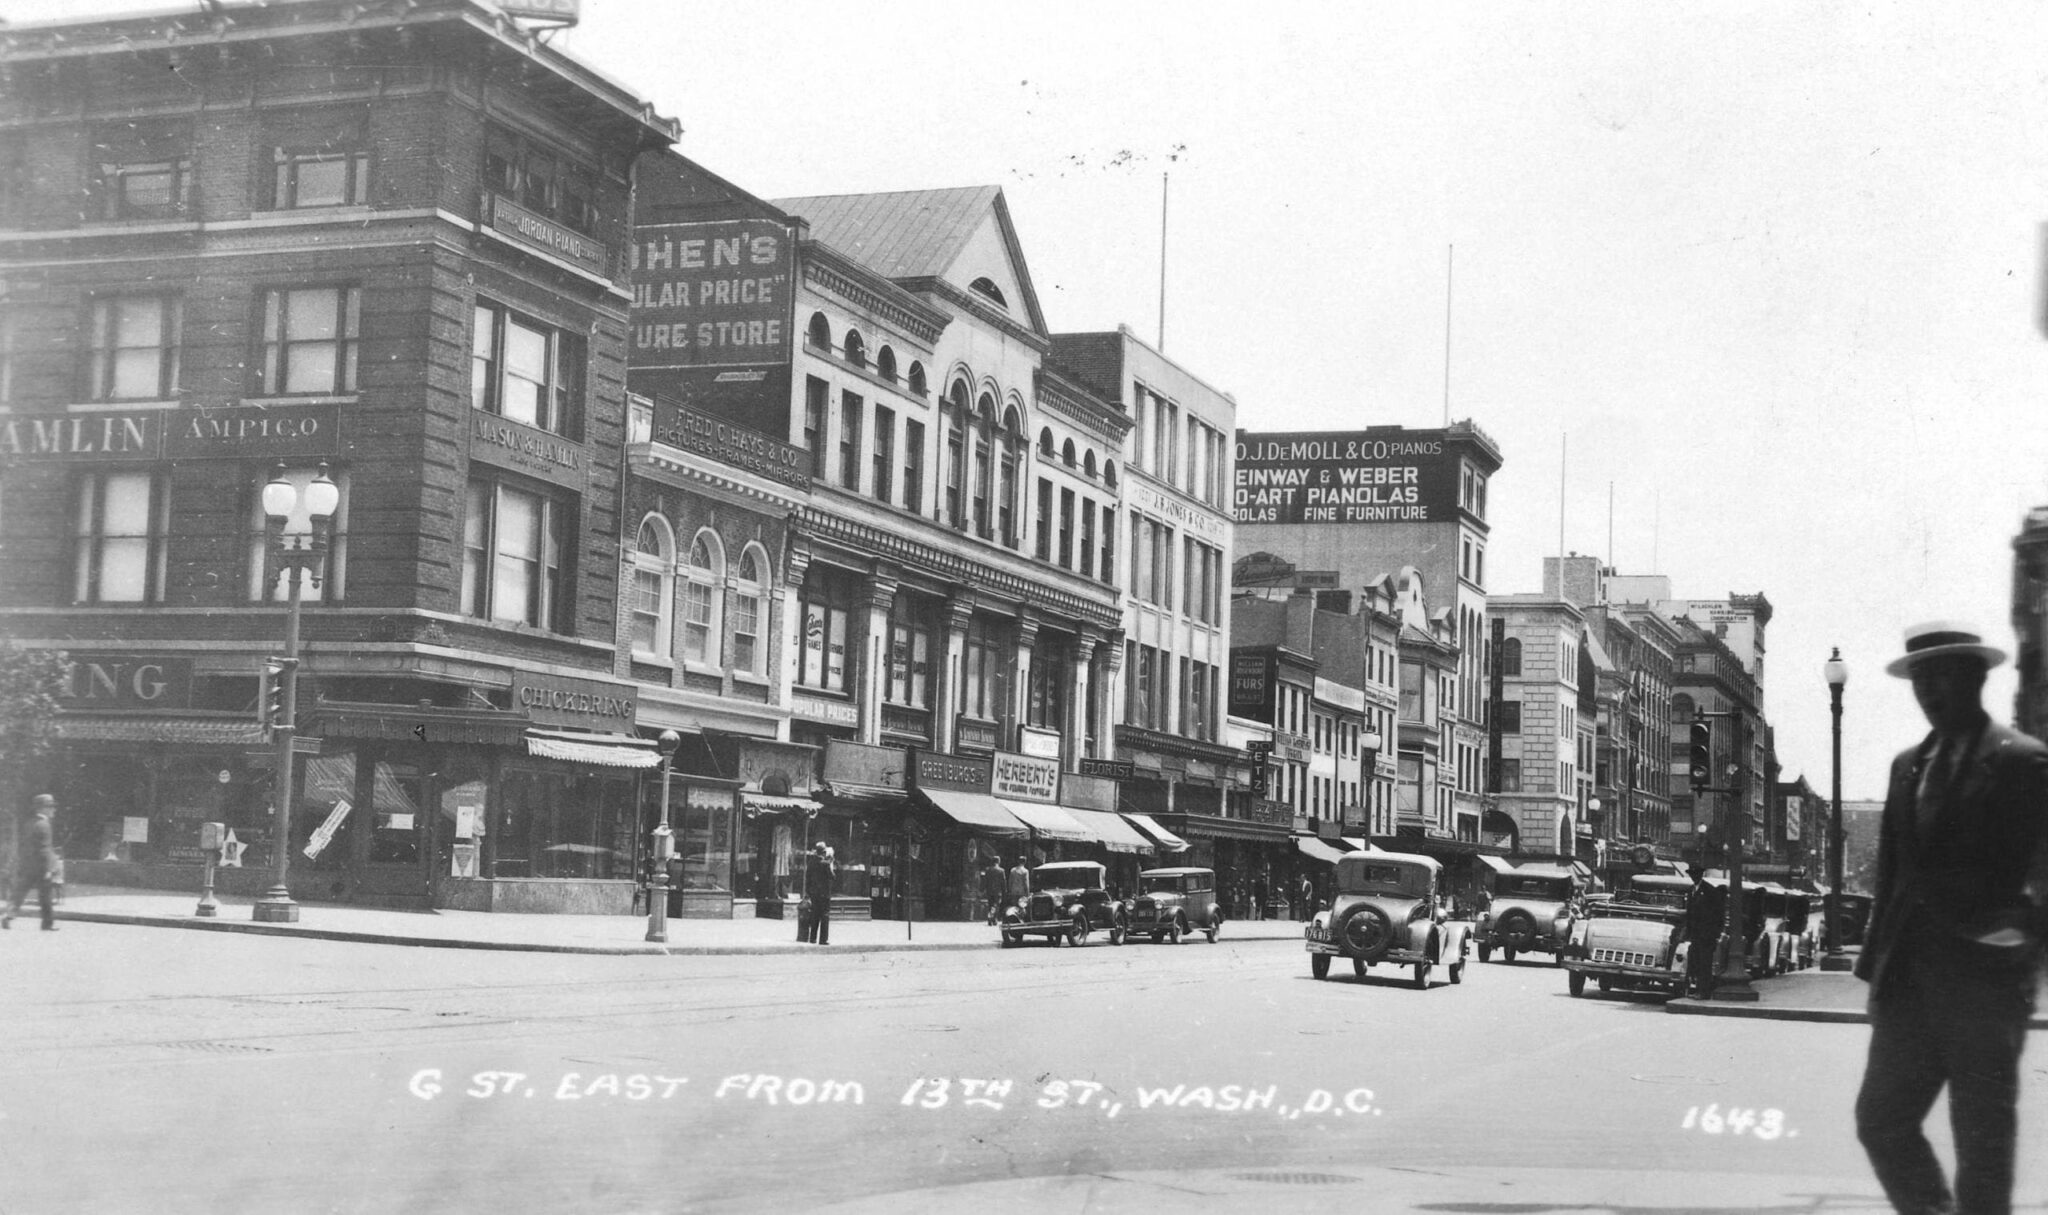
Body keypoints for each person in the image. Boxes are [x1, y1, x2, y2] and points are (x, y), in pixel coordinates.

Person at [1854, 621, 2048, 1215]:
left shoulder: (2022, 761)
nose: (1929, 692)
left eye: (1942, 677)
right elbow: (1892, 876)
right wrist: (1876, 974)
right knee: (1881, 1121)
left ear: (1976, 678)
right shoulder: (1906, 766)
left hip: (1985, 987)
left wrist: (2022, 969)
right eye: (1920, 680)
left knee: (1982, 1144)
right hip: (1908, 986)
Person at [3, 794, 60, 931]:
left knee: (20, 892)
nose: (53, 810)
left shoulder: (29, 823)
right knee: (45, 896)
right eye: (50, 807)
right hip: (41, 866)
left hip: (28, 865)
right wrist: (48, 868)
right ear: (42, 809)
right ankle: (47, 924)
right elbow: (44, 849)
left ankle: (9, 915)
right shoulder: (44, 825)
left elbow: (25, 846)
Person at [1682, 865, 1726, 999]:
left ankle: (1704, 992)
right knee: (1695, 962)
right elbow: (1690, 913)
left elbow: (1718, 913)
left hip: (1706, 935)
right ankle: (1697, 989)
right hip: (1695, 935)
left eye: (1696, 874)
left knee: (1705, 964)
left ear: (1700, 875)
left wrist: (1714, 933)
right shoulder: (1691, 890)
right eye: (1692, 874)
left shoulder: (1709, 890)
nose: (1693, 877)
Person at [803, 842, 837, 945]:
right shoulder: (825, 864)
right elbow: (832, 877)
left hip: (814, 893)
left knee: (815, 914)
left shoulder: (811, 863)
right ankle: (823, 939)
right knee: (825, 915)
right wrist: (831, 864)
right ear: (823, 852)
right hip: (824, 893)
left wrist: (808, 891)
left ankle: (812, 938)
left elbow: (807, 878)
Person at [980, 855, 1007, 926]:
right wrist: (1004, 890)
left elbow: (985, 881)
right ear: (998, 861)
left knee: (990, 905)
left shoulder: (988, 870)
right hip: (998, 892)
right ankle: (994, 918)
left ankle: (990, 917)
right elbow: (1003, 882)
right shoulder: (1001, 870)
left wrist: (982, 889)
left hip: (989, 891)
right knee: (996, 905)